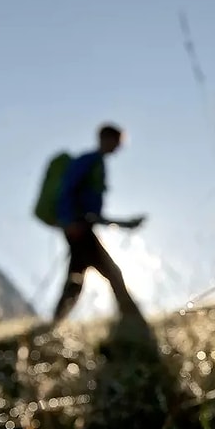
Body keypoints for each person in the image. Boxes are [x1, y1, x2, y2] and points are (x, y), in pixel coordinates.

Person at [50, 123, 145, 326]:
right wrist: (69, 222)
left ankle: (54, 324)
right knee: (112, 273)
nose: (118, 147)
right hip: (79, 228)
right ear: (106, 139)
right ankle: (134, 322)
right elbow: (67, 190)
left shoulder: (95, 163)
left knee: (76, 278)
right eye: (117, 142)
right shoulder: (90, 161)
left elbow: (94, 213)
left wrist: (125, 224)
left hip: (81, 227)